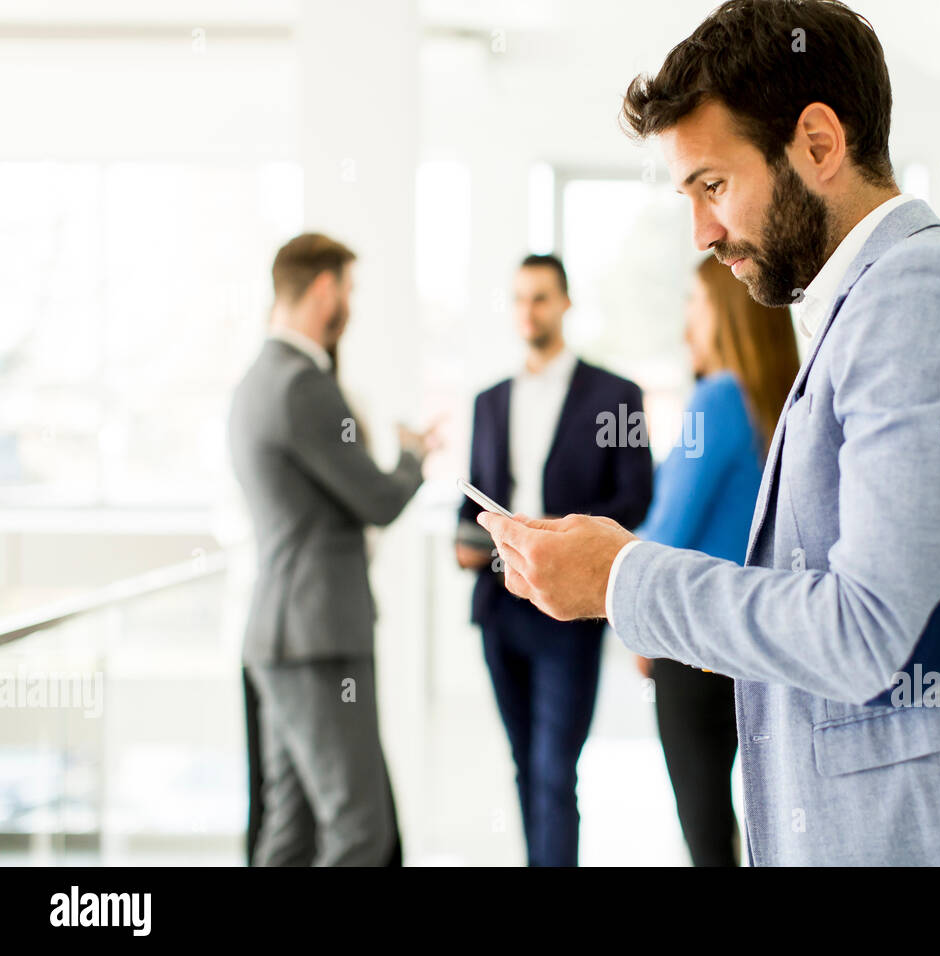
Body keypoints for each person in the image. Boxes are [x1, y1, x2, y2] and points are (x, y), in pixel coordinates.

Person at [476, 0, 940, 866]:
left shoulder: (923, 300)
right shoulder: (862, 310)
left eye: (714, 185)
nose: (703, 232)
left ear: (819, 143)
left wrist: (622, 579)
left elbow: (880, 633)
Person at [229, 233, 437, 866]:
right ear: (324, 289)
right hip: (319, 638)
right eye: (348, 288)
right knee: (358, 828)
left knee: (290, 829)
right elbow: (377, 499)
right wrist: (413, 457)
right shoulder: (303, 384)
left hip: (281, 636)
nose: (350, 303)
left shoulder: (255, 381)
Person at [455, 253, 653, 866]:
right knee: (523, 763)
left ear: (564, 303)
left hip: (569, 607)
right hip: (498, 600)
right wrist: (463, 541)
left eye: (540, 297)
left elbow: (637, 495)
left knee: (554, 767)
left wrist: (565, 538)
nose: (528, 311)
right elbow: (473, 487)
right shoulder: (489, 400)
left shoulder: (617, 394)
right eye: (519, 299)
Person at [634, 255, 798, 866]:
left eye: (695, 309)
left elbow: (664, 534)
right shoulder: (784, 397)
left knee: (705, 831)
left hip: (693, 643)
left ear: (726, 315)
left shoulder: (717, 399)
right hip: (762, 641)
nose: (686, 329)